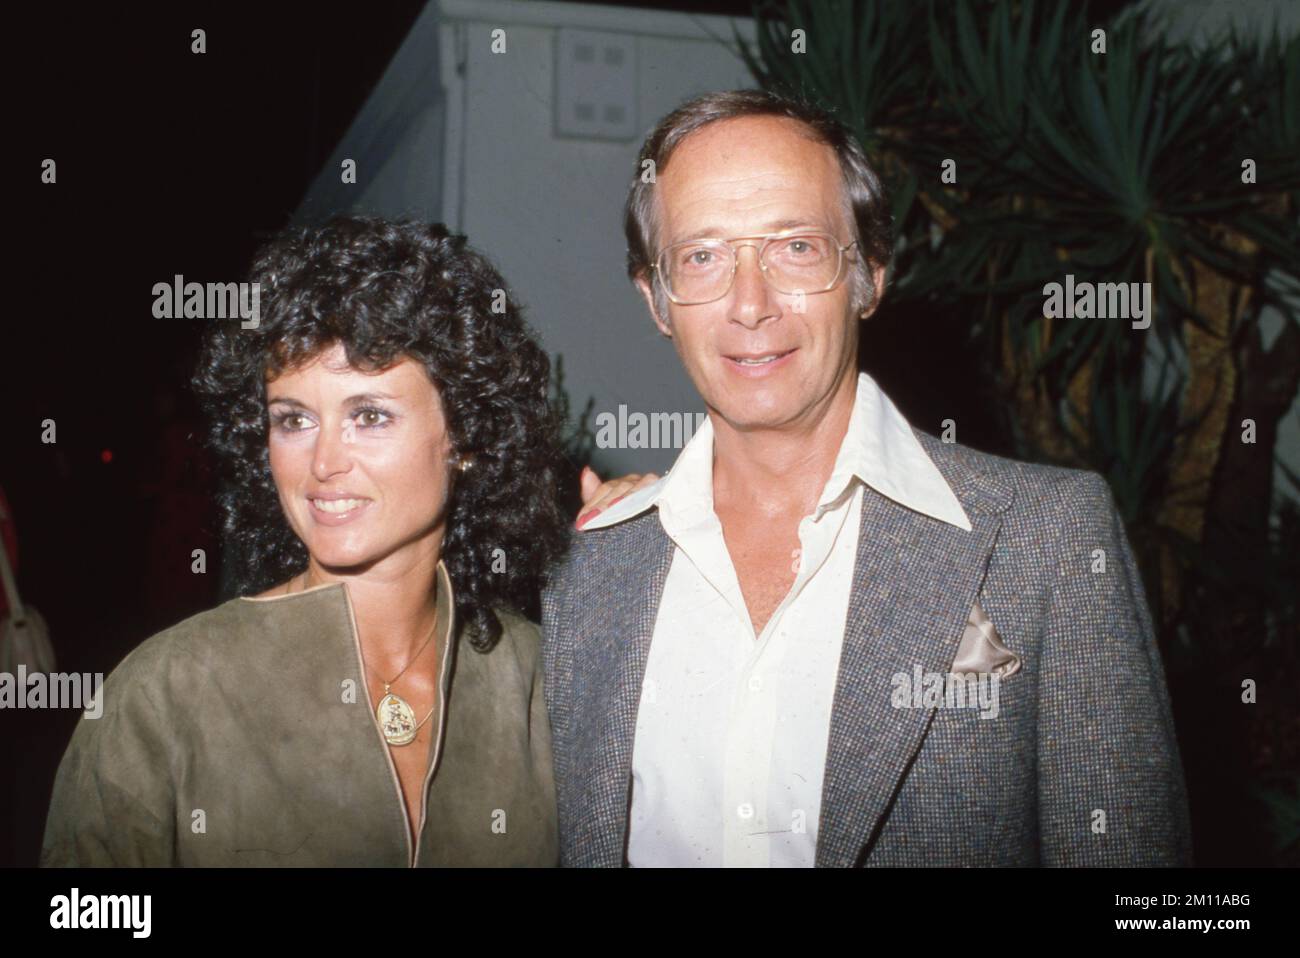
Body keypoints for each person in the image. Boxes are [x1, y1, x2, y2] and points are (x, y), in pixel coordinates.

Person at [542, 90, 1193, 867]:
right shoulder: (582, 572)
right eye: (704, 257)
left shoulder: (1048, 537)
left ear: (871, 276)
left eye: (796, 247)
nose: (749, 304)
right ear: (658, 300)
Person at [41, 216, 570, 867]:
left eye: (368, 416)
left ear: (464, 438)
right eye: (294, 420)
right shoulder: (166, 693)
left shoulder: (541, 682)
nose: (323, 463)